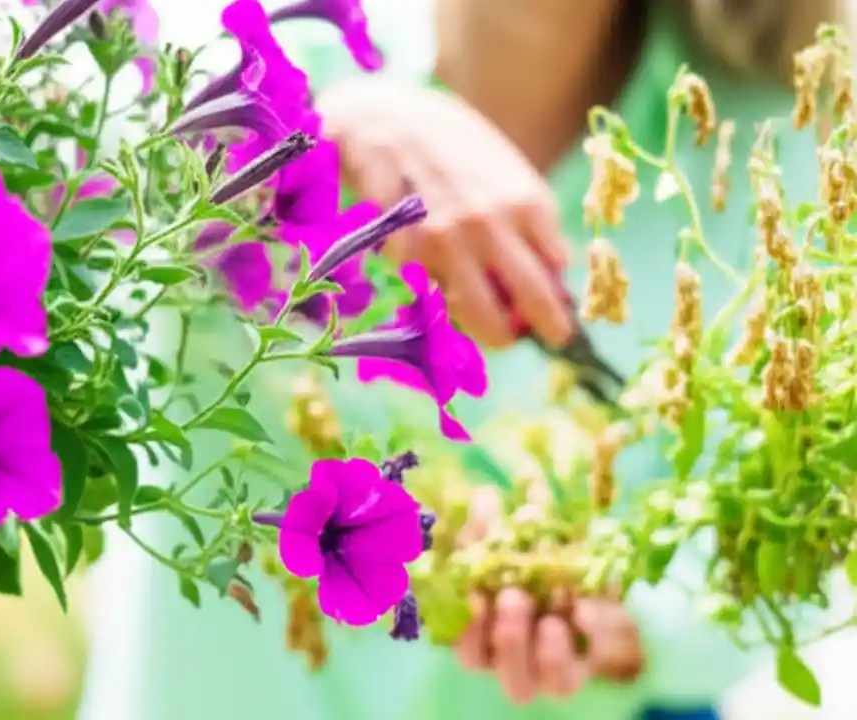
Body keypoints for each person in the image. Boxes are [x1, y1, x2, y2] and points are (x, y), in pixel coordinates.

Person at [78, 1, 844, 719]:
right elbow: (54, 161)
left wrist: (632, 620)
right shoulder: (284, 37)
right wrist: (324, 131)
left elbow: (802, 540)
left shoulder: (775, 143)